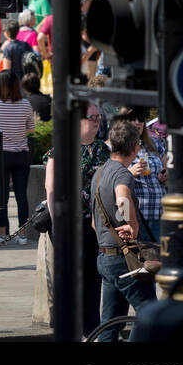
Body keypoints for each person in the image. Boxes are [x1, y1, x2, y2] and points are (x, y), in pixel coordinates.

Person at [90, 118, 158, 341]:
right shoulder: (123, 174)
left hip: (104, 256)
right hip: (123, 257)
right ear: (136, 147)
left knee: (109, 323)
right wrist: (133, 225)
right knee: (151, 314)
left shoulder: (99, 173)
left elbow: (93, 221)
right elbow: (122, 199)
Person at [44, 100, 106, 337]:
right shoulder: (61, 150)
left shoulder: (103, 150)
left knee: (94, 277)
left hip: (97, 225)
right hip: (70, 224)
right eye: (93, 118)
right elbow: (51, 189)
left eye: (99, 118)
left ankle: (92, 328)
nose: (97, 122)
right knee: (74, 279)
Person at [0, 70, 34, 243]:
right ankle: (22, 234)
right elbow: (31, 128)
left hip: (1, 156)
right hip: (21, 155)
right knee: (22, 197)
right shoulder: (25, 104)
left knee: (2, 196)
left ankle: (2, 233)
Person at [118, 108, 166, 242]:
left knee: (159, 259)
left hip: (159, 212)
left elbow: (166, 168)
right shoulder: (116, 146)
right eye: (133, 118)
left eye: (141, 119)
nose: (138, 122)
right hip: (138, 216)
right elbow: (110, 179)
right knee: (142, 260)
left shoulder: (154, 143)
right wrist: (130, 173)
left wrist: (165, 176)